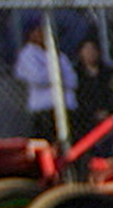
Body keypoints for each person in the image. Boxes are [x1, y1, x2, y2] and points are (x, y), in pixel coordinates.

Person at [13, 14, 76, 145]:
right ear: (31, 33)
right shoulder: (27, 54)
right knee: (47, 146)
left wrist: (54, 78)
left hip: (66, 108)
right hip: (43, 110)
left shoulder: (59, 55)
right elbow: (38, 79)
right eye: (40, 31)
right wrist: (57, 77)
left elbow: (73, 80)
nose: (45, 34)